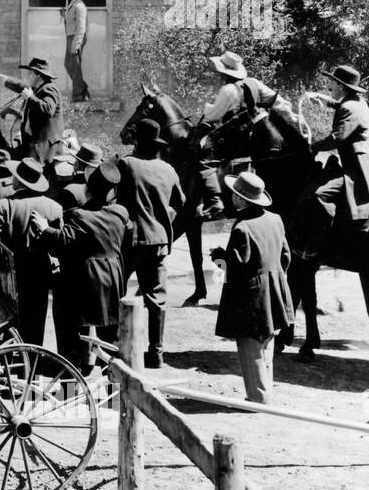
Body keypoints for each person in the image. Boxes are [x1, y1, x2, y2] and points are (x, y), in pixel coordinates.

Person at [30, 162, 130, 372]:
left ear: (88, 188)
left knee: (71, 343)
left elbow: (62, 243)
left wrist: (44, 229)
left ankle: (71, 395)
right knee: (111, 343)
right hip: (112, 281)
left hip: (83, 285)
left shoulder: (79, 216)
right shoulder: (120, 213)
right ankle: (112, 399)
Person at [211, 171, 295, 404]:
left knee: (250, 347)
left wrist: (218, 257)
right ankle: (265, 392)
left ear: (241, 199)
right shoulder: (276, 219)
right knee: (267, 342)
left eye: (235, 194)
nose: (232, 198)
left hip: (253, 297)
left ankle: (259, 400)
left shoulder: (242, 227)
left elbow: (234, 269)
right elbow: (286, 256)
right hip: (275, 290)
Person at [291, 65, 369, 260]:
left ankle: (317, 246)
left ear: (340, 86)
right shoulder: (358, 102)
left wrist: (311, 147)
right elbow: (342, 106)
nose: (328, 86)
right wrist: (324, 100)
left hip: (360, 167)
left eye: (331, 83)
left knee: (320, 194)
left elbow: (337, 139)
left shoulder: (347, 107)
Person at [118, 119, 185, 368]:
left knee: (118, 290)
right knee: (156, 298)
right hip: (158, 241)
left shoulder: (126, 164)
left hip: (131, 240)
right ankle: (156, 353)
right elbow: (179, 203)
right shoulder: (168, 169)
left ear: (138, 141)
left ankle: (118, 346)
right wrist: (164, 221)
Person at [0, 158, 62, 338]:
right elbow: (58, 244)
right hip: (40, 274)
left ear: (20, 181)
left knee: (7, 323)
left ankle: (11, 359)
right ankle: (32, 360)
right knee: (36, 322)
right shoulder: (54, 208)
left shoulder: (3, 206)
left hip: (9, 276)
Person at [197, 50, 293, 218]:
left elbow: (213, 115)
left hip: (234, 140)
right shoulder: (254, 83)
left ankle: (214, 201)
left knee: (204, 157)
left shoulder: (228, 90)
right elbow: (282, 103)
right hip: (254, 140)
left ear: (223, 72)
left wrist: (206, 108)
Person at [0, 56, 65, 163]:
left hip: (45, 149)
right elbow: (20, 86)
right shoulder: (37, 88)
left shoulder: (49, 88)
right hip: (34, 145)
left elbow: (48, 109)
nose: (28, 76)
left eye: (30, 73)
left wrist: (30, 97)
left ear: (38, 74)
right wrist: (0, 78)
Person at [61, 0, 89, 102]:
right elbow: (71, 19)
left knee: (75, 66)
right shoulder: (73, 4)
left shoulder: (79, 6)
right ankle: (83, 89)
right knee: (68, 65)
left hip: (76, 37)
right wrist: (64, 14)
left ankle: (78, 94)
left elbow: (81, 27)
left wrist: (76, 44)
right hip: (70, 37)